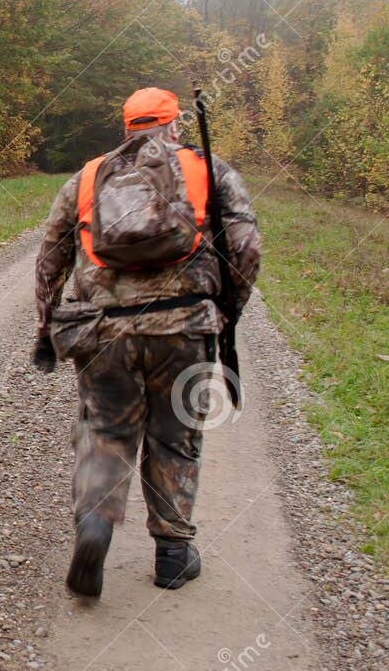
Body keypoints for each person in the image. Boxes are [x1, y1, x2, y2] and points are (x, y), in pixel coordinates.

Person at [32, 86, 261, 598]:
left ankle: (96, 522)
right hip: (184, 329)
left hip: (103, 332)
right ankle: (173, 555)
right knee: (175, 434)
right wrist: (227, 311)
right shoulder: (210, 170)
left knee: (104, 430)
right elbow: (246, 248)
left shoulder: (87, 177)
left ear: (127, 127)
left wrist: (46, 327)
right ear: (175, 125)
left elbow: (50, 259)